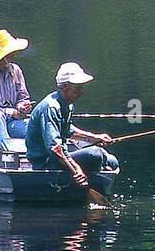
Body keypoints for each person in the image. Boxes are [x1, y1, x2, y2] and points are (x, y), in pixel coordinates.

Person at [25, 63, 117, 197]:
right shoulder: (51, 108)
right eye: (78, 87)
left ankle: (88, 181)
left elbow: (68, 130)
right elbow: (55, 149)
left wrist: (95, 137)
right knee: (96, 154)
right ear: (64, 87)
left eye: (82, 87)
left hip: (58, 157)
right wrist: (76, 169)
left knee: (112, 161)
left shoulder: (67, 105)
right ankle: (86, 185)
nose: (81, 91)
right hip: (46, 162)